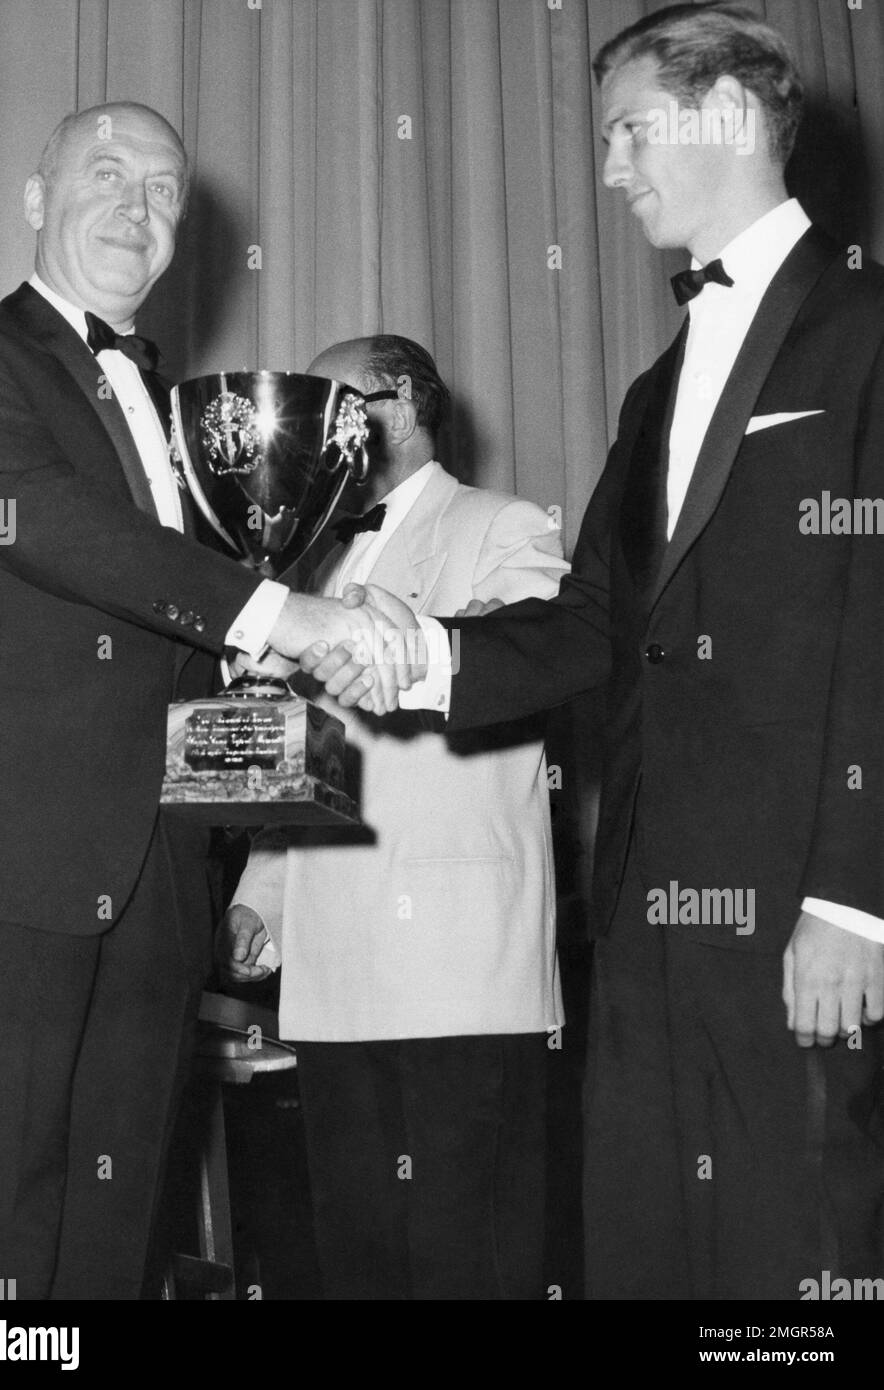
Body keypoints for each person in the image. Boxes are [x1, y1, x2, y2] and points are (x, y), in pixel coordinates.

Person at [302, 4, 884, 1300]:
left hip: (807, 905)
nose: (611, 167)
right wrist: (419, 661)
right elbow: (594, 626)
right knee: (651, 1252)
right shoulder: (659, 384)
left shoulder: (865, 327)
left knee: (803, 1255)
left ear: (730, 116)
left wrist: (857, 900)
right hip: (644, 912)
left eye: (630, 131)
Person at [0, 101, 405, 1299]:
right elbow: (41, 516)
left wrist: (272, 651)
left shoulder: (199, 427)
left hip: (159, 877)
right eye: (104, 174)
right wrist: (282, 618)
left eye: (162, 190)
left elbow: (184, 611)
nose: (134, 206)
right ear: (35, 199)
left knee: (116, 1211)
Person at [217, 334, 568, 1300]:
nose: (318, 433)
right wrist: (267, 893)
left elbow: (526, 663)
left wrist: (383, 631)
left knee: (473, 1259)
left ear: (404, 407)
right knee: (358, 1257)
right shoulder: (306, 555)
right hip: (335, 963)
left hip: (461, 962)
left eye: (339, 405)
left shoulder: (507, 526)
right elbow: (308, 741)